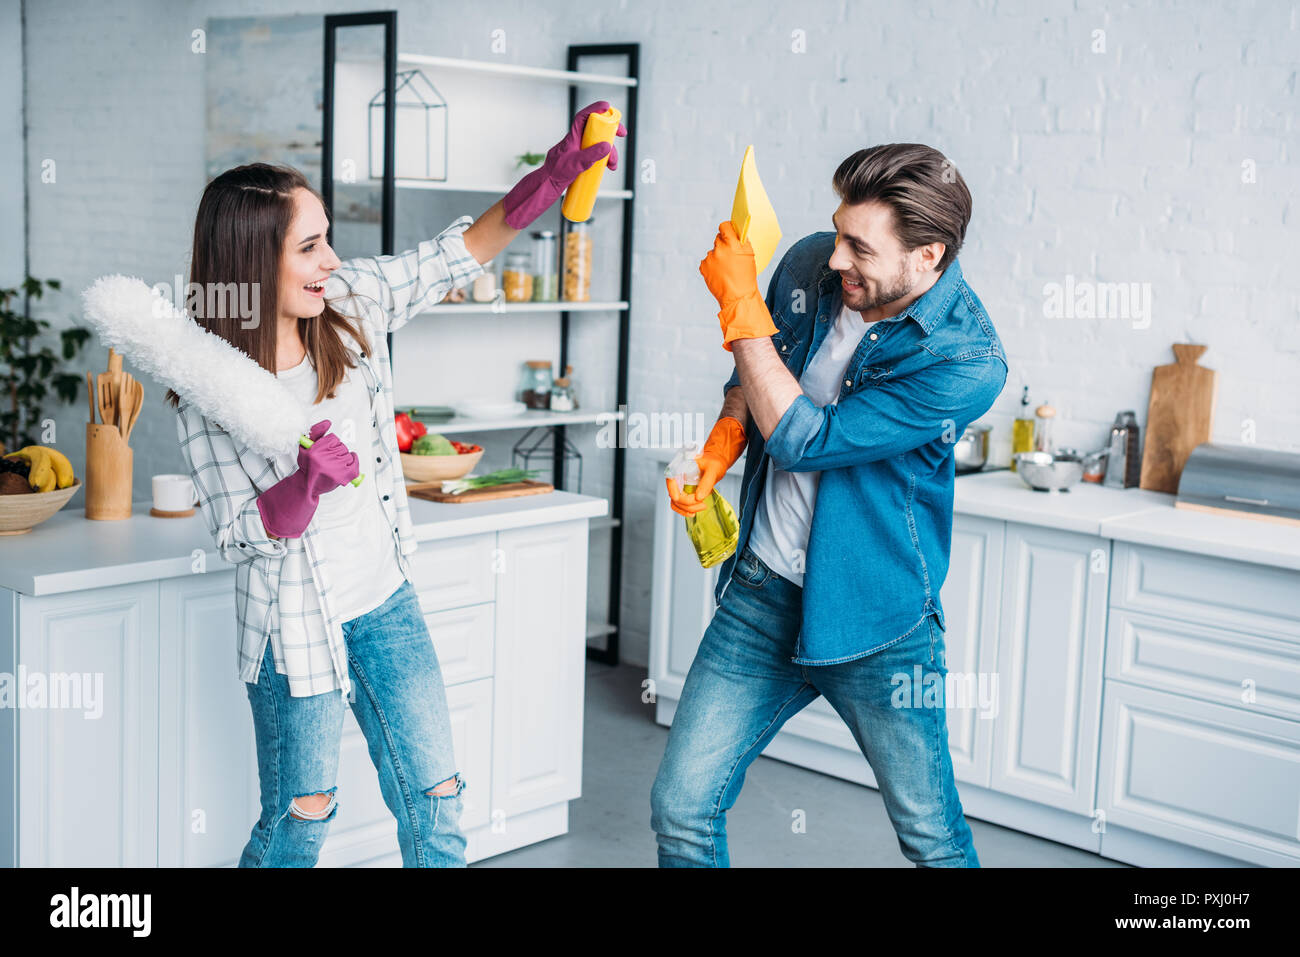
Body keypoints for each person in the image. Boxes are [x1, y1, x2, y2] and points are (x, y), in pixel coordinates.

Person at [168, 102, 625, 868]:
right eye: (309, 247)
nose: (332, 262)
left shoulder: (349, 305)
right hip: (293, 627)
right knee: (299, 822)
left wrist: (548, 178)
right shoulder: (210, 388)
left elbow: (454, 256)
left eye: (327, 241)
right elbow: (237, 532)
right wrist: (302, 487)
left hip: (384, 600)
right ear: (252, 262)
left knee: (437, 799)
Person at [653, 143, 1007, 867]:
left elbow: (807, 440)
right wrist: (722, 444)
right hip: (761, 594)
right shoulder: (812, 265)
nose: (835, 258)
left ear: (927, 255)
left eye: (859, 246)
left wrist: (739, 308)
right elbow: (754, 385)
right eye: (838, 231)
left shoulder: (965, 359)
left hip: (877, 624)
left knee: (932, 838)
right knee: (681, 805)